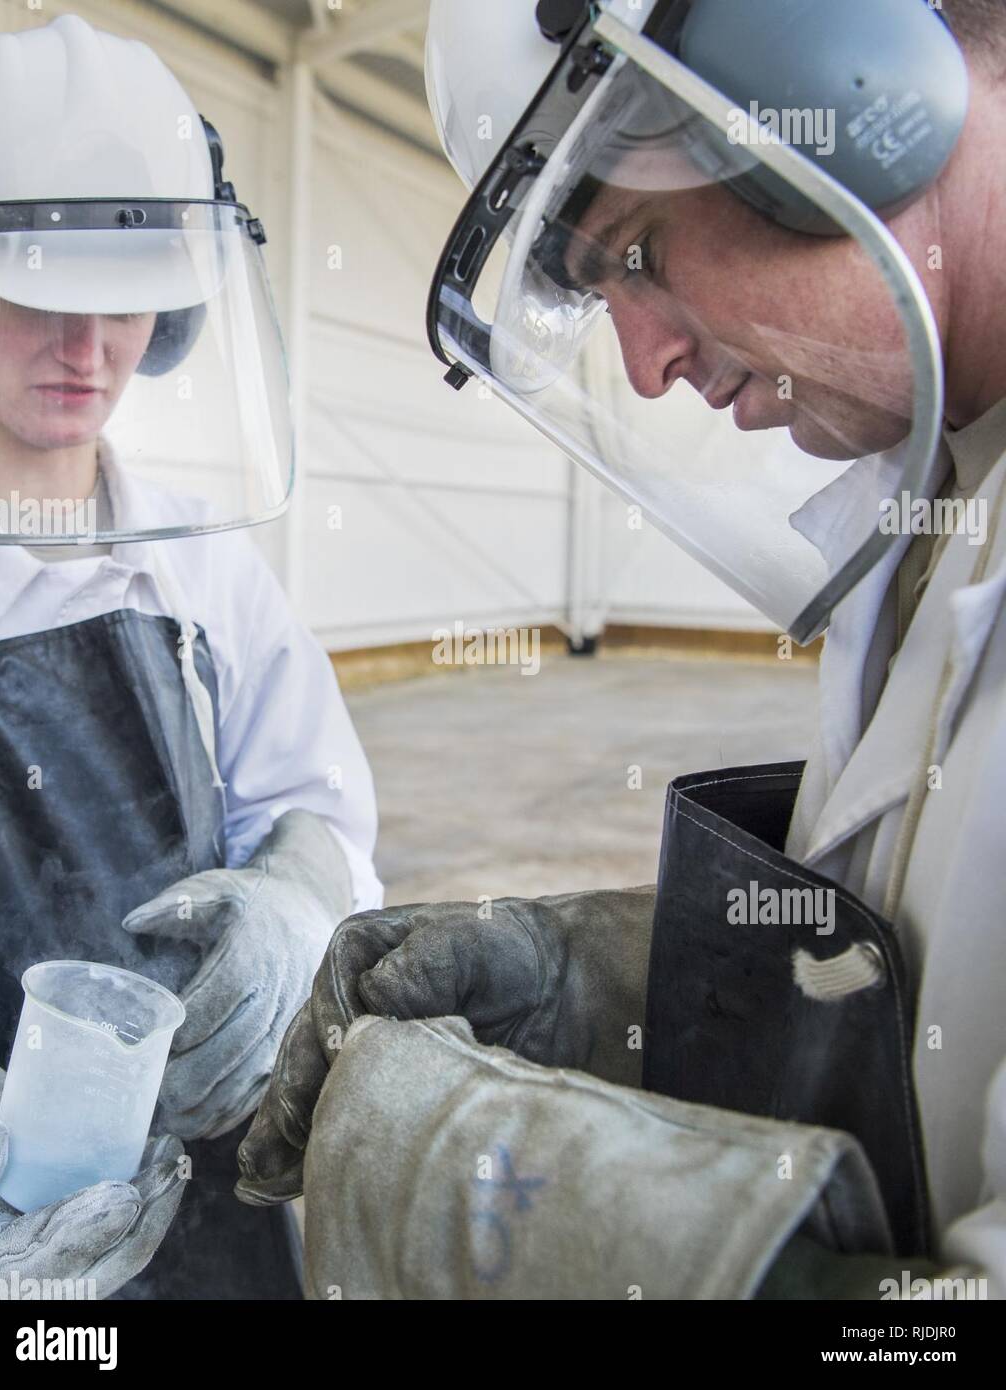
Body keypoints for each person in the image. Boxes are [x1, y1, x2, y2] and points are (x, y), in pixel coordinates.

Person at [237, 0, 1006, 1299]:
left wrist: (640, 1250)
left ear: (847, 66)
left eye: (637, 253)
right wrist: (608, 995)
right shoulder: (932, 505)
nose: (644, 369)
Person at [0, 14, 381, 1301]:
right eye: (42, 290)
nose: (87, 348)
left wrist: (289, 911)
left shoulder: (204, 571)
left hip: (208, 1207)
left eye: (125, 297)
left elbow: (317, 810)